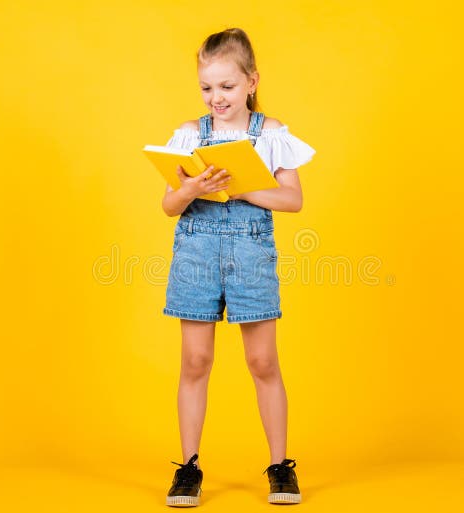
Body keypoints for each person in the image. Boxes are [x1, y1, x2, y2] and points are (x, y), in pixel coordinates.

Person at [161, 27, 315, 507]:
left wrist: (244, 186)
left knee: (263, 361)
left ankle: (279, 466)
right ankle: (188, 469)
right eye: (207, 88)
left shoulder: (271, 135)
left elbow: (293, 199)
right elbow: (169, 205)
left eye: (226, 87)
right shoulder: (189, 134)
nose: (216, 98)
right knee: (195, 361)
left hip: (250, 252)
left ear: (251, 81)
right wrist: (193, 189)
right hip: (196, 252)